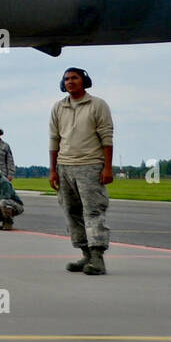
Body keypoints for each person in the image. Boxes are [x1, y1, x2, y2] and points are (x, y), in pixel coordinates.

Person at [50, 67, 114, 275]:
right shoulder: (59, 107)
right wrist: (53, 170)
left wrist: (107, 167)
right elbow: (54, 140)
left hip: (90, 165)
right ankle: (85, 254)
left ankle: (97, 258)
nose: (70, 82)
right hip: (65, 166)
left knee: (93, 210)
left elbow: (106, 137)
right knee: (71, 212)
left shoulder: (98, 105)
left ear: (84, 81)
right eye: (67, 79)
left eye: (74, 78)